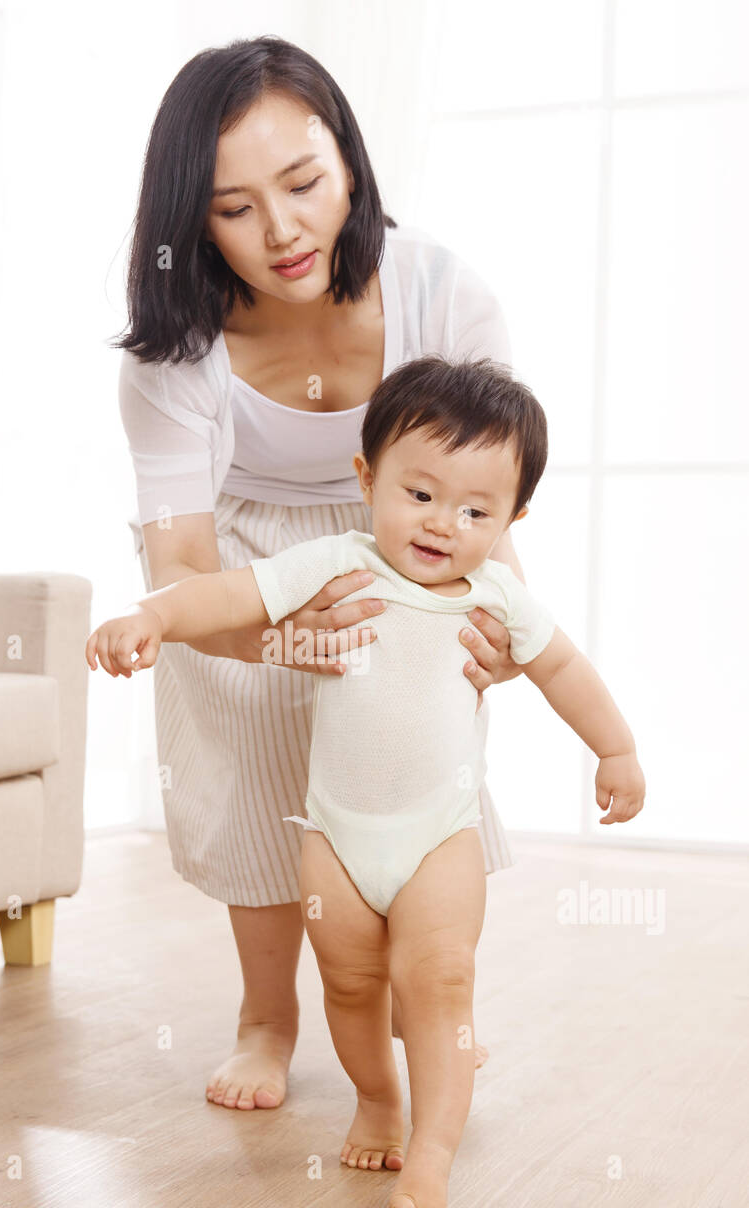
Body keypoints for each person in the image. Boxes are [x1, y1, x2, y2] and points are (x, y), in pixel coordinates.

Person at [86, 354, 646, 1208]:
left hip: (439, 838)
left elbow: (564, 669)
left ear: (512, 520)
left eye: (475, 511)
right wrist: (152, 616)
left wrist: (614, 749)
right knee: (350, 987)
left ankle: (432, 1151)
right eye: (419, 494)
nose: (442, 525)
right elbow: (226, 591)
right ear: (366, 478)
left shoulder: (499, 597)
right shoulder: (336, 566)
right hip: (335, 840)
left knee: (443, 980)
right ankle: (378, 1099)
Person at [112, 35, 529, 1112]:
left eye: (302, 184)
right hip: (238, 554)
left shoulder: (443, 293)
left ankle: (422, 1004)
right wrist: (274, 638)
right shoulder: (172, 354)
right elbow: (182, 566)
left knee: (406, 761)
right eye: (232, 207)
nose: (282, 229)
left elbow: (484, 485)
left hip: (400, 525)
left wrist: (497, 617)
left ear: (347, 161)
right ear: (188, 220)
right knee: (255, 768)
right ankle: (266, 1015)